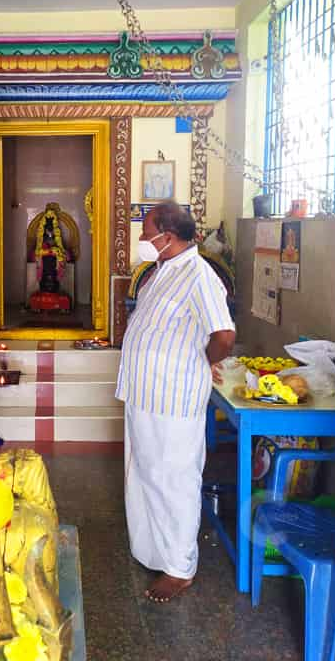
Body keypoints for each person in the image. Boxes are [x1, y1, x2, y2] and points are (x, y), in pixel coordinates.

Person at [115, 201, 235, 602]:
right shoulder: (162, 271)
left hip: (172, 396)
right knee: (145, 474)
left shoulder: (200, 276)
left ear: (168, 235)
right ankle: (152, 551)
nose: (142, 237)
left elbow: (223, 334)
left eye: (147, 230)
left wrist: (203, 362)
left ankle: (180, 569)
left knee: (174, 480)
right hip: (143, 394)